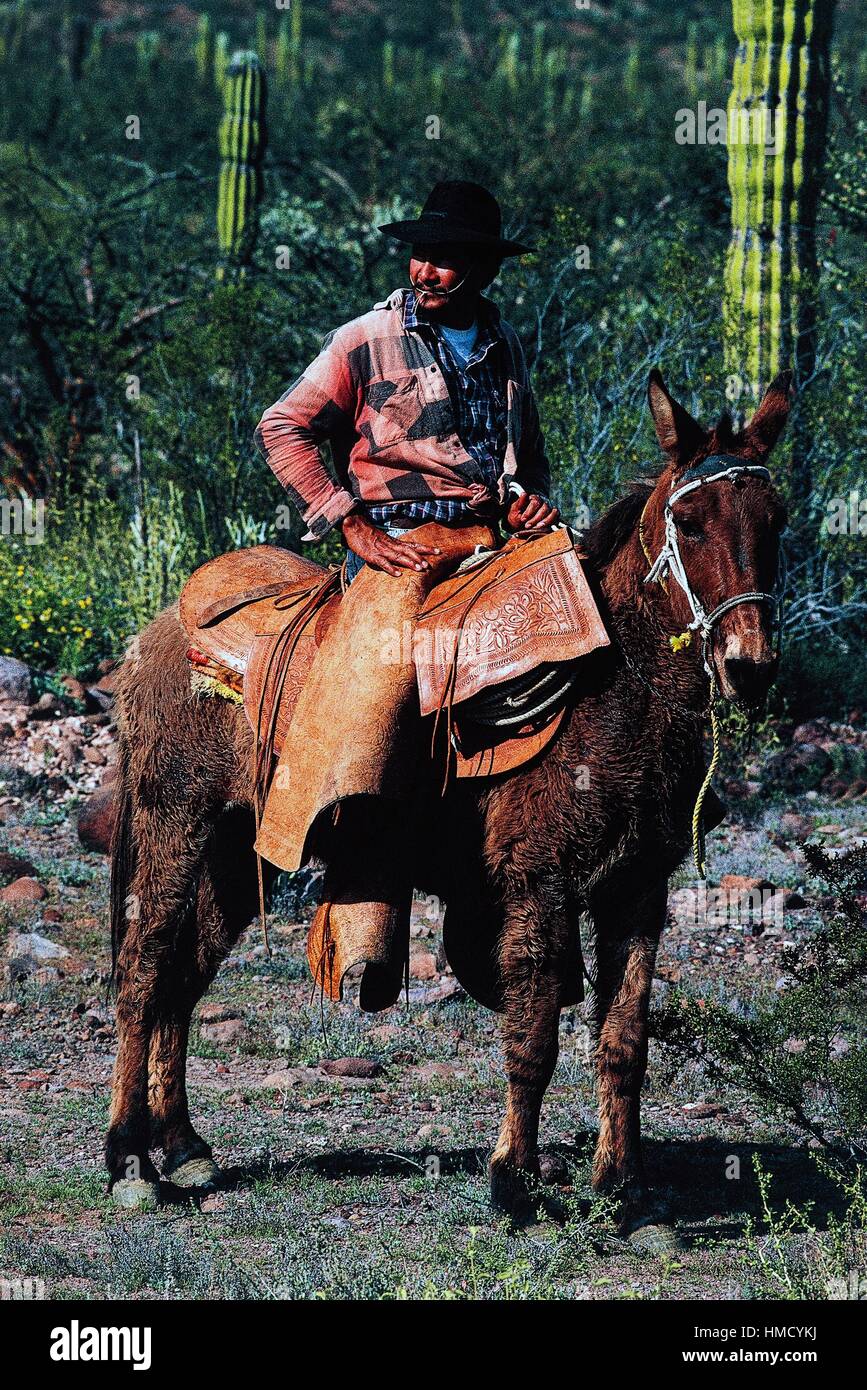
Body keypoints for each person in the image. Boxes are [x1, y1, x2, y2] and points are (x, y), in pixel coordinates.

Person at [255, 179, 559, 581]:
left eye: (445, 259)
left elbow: (531, 453)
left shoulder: (506, 346)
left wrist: (528, 500)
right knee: (392, 643)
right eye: (420, 255)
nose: (425, 273)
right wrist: (349, 523)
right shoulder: (365, 338)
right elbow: (280, 427)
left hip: (487, 545)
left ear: (486, 269)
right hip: (397, 548)